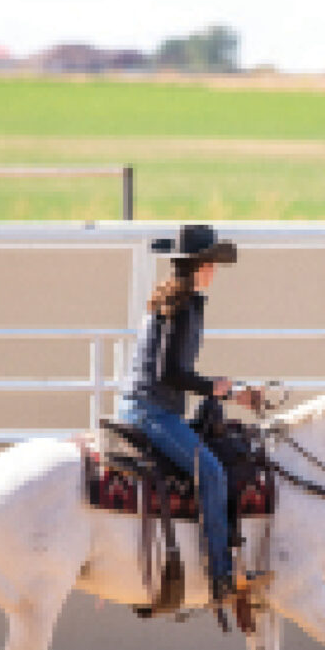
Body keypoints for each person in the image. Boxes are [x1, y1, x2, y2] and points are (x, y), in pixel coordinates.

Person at [116, 224, 258, 608]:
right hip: (151, 411)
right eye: (211, 263)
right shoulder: (180, 309)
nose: (214, 271)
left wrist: (223, 391)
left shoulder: (180, 303)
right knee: (211, 471)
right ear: (198, 267)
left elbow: (172, 373)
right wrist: (215, 387)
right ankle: (220, 575)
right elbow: (169, 373)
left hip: (150, 406)